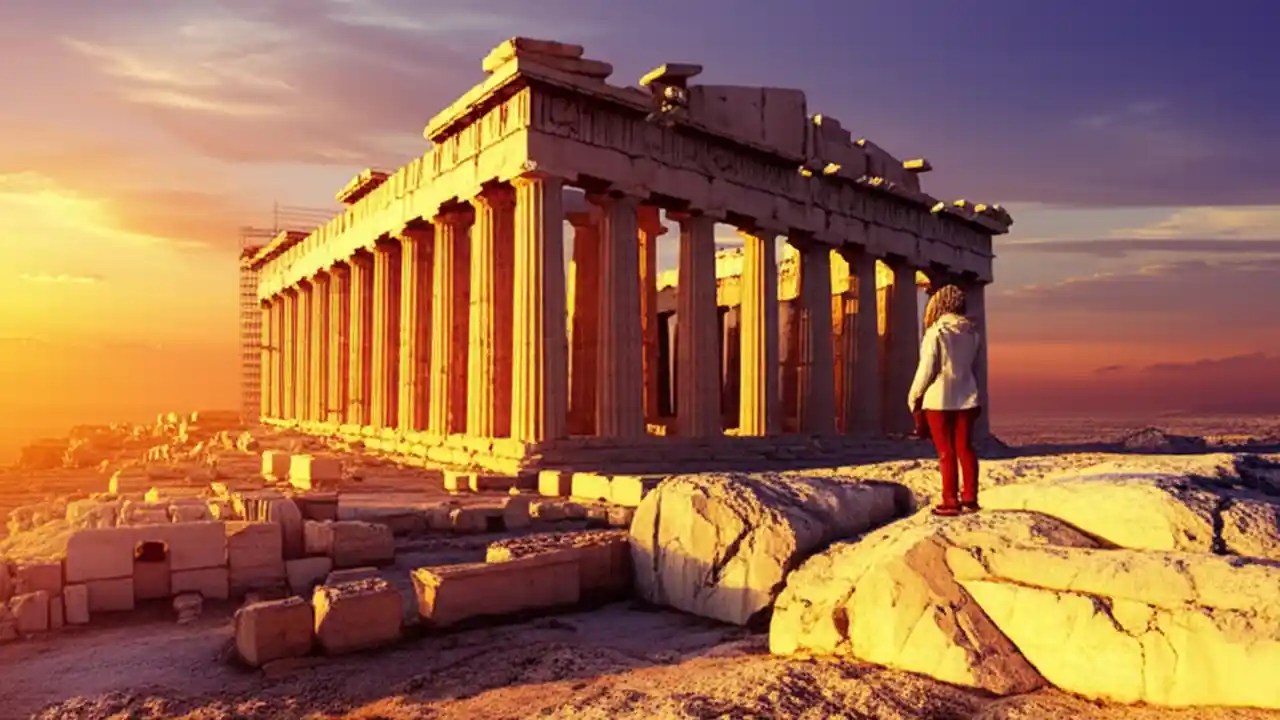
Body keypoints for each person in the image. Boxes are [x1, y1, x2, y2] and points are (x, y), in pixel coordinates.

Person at [907, 284, 984, 516]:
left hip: (939, 400)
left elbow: (927, 370)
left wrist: (913, 397)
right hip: (968, 398)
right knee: (965, 448)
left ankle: (950, 501)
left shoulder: (936, 333)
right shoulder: (973, 334)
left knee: (945, 452)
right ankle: (970, 497)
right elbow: (974, 367)